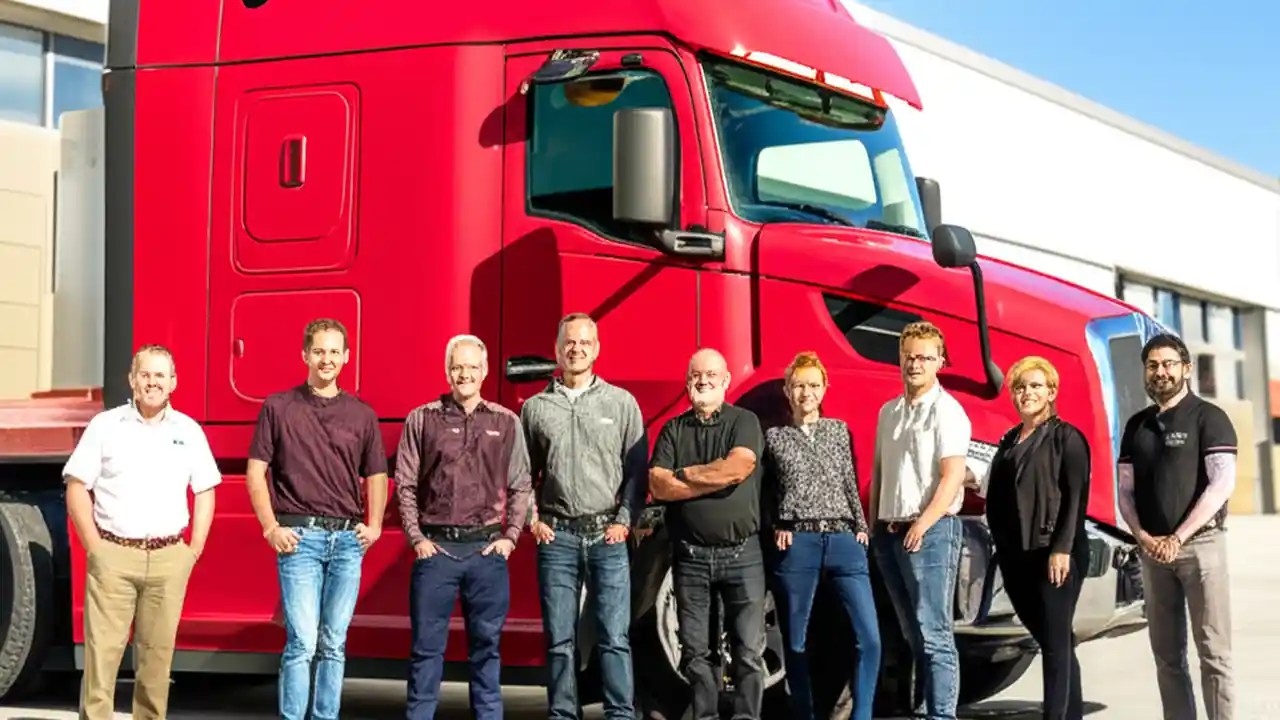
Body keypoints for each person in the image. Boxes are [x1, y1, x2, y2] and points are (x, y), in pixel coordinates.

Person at [62, 344, 221, 720]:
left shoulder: (189, 431)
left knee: (157, 661)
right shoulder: (106, 426)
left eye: (160, 375)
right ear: (133, 380)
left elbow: (205, 490)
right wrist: (96, 548)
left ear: (173, 382)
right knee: (102, 658)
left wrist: (193, 549)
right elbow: (76, 485)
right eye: (145, 375)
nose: (153, 382)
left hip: (169, 558)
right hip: (114, 556)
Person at [245, 318, 388, 720]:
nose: (327, 359)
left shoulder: (362, 414)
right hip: (299, 541)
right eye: (319, 351)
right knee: (302, 643)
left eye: (334, 352)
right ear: (305, 355)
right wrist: (271, 527)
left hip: (346, 542)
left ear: (347, 357)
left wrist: (375, 525)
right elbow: (255, 472)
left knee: (334, 644)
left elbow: (377, 474)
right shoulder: (279, 407)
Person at [394, 334, 533, 719]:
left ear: (485, 371)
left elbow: (521, 483)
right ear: (447, 371)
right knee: (426, 652)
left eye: (472, 367)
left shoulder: (506, 422)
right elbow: (404, 483)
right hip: (436, 552)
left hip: (486, 553)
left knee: (486, 651)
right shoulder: (422, 419)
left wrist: (510, 537)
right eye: (457, 367)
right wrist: (417, 538)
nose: (465, 374)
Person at [521, 313, 647, 720]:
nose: (576, 349)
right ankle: (563, 714)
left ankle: (620, 714)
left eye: (584, 342)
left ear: (597, 349)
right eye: (569, 343)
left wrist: (624, 520)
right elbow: (522, 473)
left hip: (607, 534)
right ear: (557, 350)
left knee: (614, 637)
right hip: (557, 537)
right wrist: (533, 518)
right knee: (560, 640)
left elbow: (637, 471)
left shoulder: (622, 404)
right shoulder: (536, 408)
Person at [1118, 333, 1236, 720]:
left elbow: (1222, 484)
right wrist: (1142, 536)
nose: (1161, 372)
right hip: (1153, 553)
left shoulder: (1209, 418)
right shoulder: (1137, 425)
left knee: (1214, 653)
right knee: (1167, 657)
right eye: (1152, 365)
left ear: (1186, 368)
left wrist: (1178, 536)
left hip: (1201, 549)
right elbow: (1125, 490)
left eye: (1169, 364)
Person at [649, 348, 766, 720]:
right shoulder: (673, 429)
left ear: (726, 380)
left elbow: (737, 468)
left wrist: (683, 475)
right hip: (691, 558)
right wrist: (711, 477)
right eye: (696, 375)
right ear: (687, 382)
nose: (703, 381)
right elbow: (658, 484)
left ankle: (746, 717)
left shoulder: (744, 421)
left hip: (742, 554)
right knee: (696, 652)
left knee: (749, 650)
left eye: (711, 375)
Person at [764, 351, 880, 720]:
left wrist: (860, 527)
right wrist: (777, 524)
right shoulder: (775, 436)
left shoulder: (838, 430)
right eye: (799, 385)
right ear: (787, 390)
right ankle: (804, 713)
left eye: (813, 385)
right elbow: (769, 489)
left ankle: (862, 715)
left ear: (825, 388)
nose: (806, 392)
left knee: (869, 638)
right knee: (796, 640)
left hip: (844, 540)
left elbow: (849, 479)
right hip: (799, 542)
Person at [869, 320, 969, 720]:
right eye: (909, 356)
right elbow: (880, 474)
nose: (915, 364)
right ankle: (926, 708)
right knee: (913, 633)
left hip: (932, 532)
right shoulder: (888, 413)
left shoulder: (948, 411)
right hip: (890, 532)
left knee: (934, 633)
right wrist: (874, 528)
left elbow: (952, 475)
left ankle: (942, 714)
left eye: (925, 358)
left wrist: (923, 524)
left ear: (940, 362)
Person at [981, 356, 1090, 720]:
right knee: (1054, 641)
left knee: (1055, 646)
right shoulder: (1009, 440)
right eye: (1020, 387)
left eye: (1035, 386)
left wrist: (1062, 549)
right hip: (1016, 557)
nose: (1027, 392)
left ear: (1051, 392)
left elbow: (1076, 498)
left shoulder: (1067, 438)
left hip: (1054, 555)